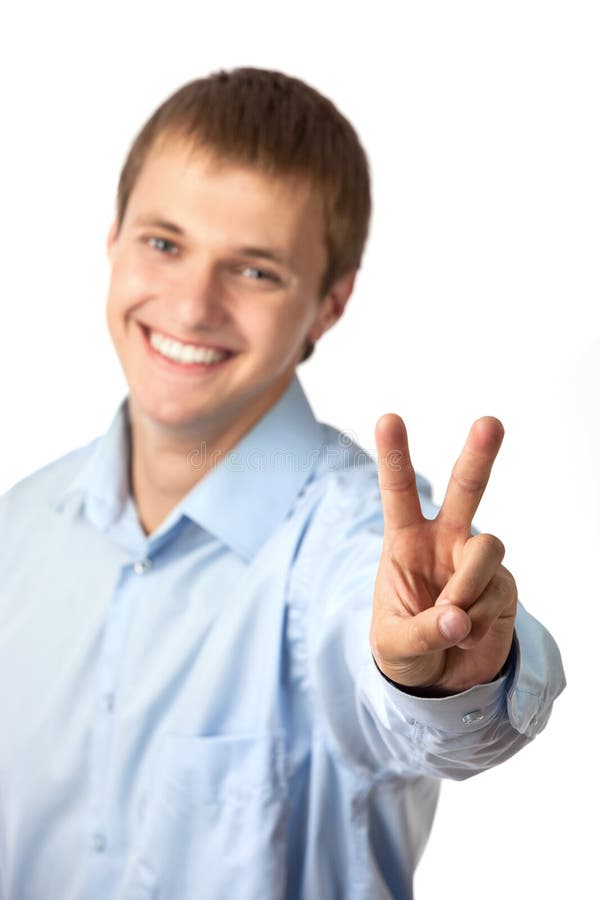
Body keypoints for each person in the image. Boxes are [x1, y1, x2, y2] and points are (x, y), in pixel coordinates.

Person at [0, 67, 565, 900]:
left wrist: (442, 674)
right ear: (113, 238)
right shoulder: (18, 530)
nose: (193, 307)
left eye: (255, 270)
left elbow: (421, 695)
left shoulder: (361, 554)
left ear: (329, 304)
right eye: (164, 243)